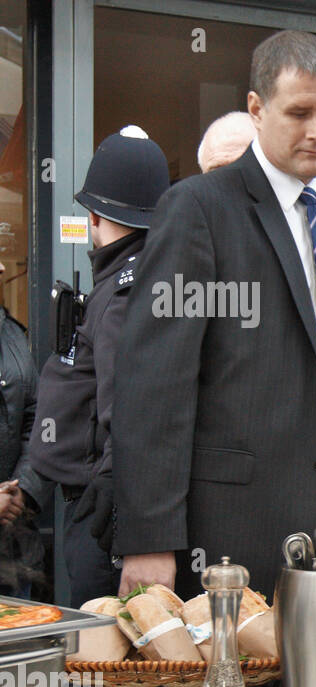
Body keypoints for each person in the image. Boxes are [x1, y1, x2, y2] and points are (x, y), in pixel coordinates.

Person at [113, 30, 316, 598]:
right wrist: (149, 538)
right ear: (256, 109)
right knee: (246, 685)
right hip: (238, 521)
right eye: (298, 112)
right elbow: (155, 383)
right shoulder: (200, 209)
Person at [29, 126, 169, 606]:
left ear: (93, 214)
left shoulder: (123, 293)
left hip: (102, 518)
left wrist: (122, 522)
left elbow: (127, 411)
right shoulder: (143, 278)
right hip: (106, 511)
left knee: (102, 668)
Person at [0, 259, 48, 598]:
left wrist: (22, 490)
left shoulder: (11, 333)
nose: (3, 267)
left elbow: (37, 418)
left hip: (14, 552)